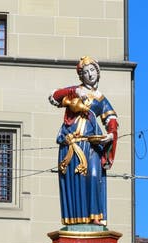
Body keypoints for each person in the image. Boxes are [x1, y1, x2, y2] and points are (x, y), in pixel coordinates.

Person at [49, 56, 118, 227]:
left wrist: (111, 133)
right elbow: (54, 97)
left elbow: (111, 118)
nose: (90, 74)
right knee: (73, 182)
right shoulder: (75, 91)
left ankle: (94, 216)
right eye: (85, 72)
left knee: (94, 176)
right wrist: (73, 91)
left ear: (98, 72)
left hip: (91, 144)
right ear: (81, 76)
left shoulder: (100, 99)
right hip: (71, 143)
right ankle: (74, 220)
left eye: (92, 70)